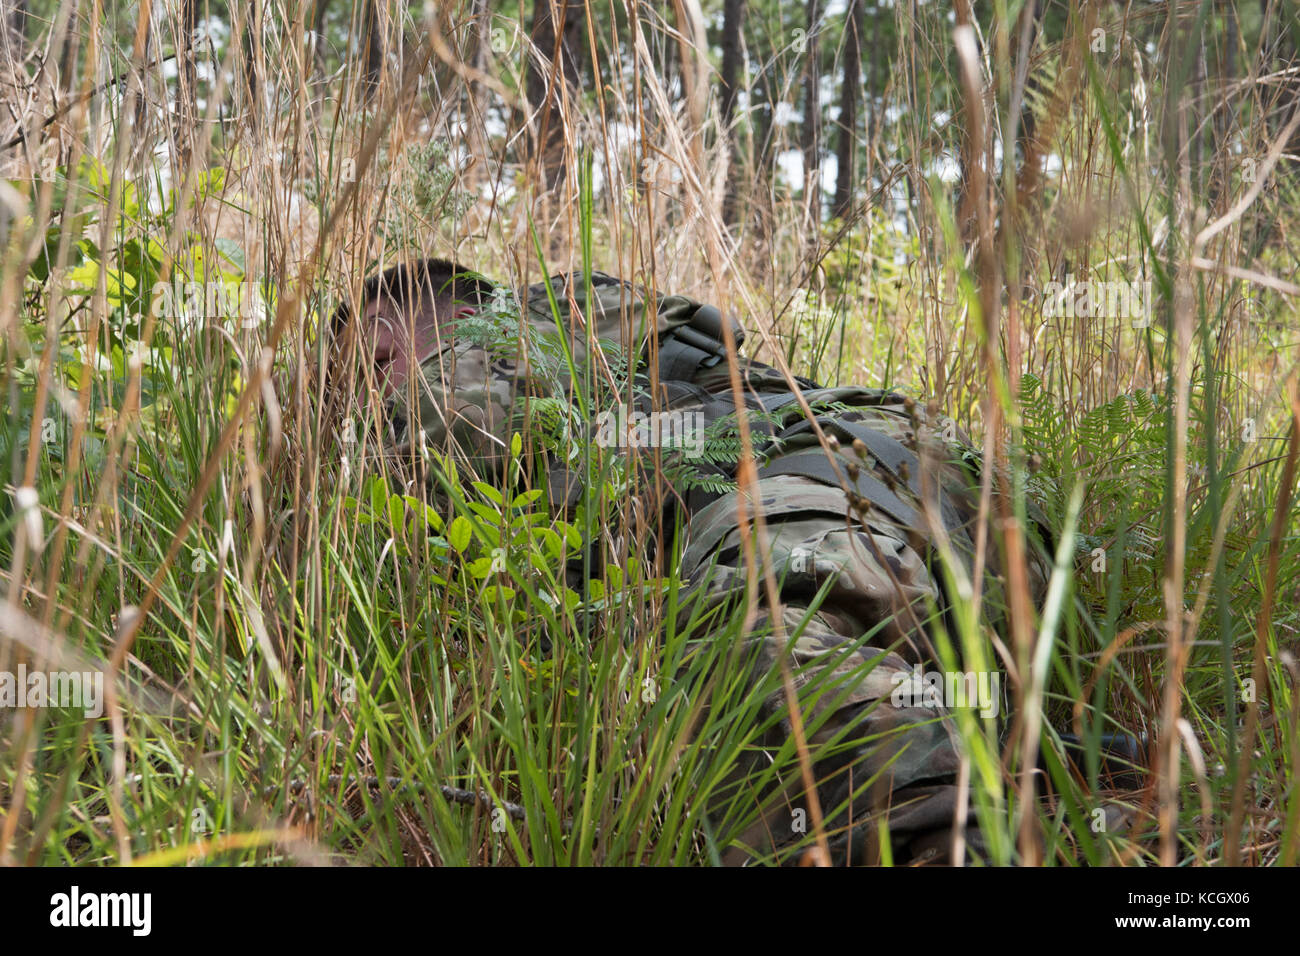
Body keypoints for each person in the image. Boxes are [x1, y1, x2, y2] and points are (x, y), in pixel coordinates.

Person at [332, 258, 1053, 865]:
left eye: (378, 363)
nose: (368, 397)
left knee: (755, 660)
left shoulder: (495, 341)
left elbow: (440, 434)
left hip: (807, 487)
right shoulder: (611, 324)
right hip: (963, 505)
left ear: (450, 321)